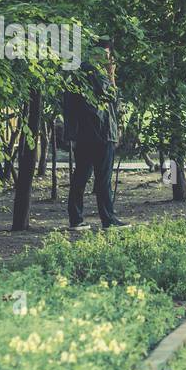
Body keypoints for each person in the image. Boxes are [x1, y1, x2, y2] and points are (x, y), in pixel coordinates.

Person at [62, 43, 128, 230]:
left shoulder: (79, 73)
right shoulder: (95, 74)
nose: (109, 60)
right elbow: (112, 97)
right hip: (101, 134)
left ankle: (76, 219)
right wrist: (111, 74)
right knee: (102, 179)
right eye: (106, 55)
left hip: (84, 135)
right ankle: (108, 219)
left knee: (81, 177)